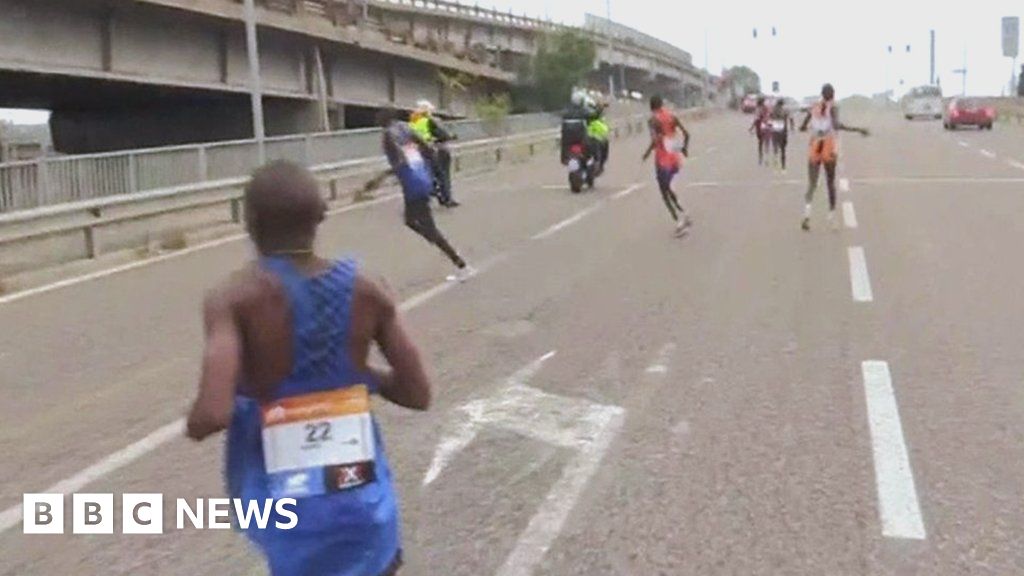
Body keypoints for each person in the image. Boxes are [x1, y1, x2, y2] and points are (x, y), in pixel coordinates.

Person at [186, 160, 433, 576]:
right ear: (321, 216)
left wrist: (192, 423)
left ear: (250, 221)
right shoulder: (369, 290)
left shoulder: (232, 298)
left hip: (286, 516)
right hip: (361, 501)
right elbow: (417, 393)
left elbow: (213, 412)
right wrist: (362, 377)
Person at [375, 107, 473, 281]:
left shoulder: (388, 135)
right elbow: (426, 147)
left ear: (384, 118)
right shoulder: (406, 127)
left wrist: (383, 176)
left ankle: (458, 261)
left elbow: (399, 160)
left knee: (427, 225)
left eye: (379, 116)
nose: (377, 119)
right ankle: (441, 244)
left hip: (412, 183)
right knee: (410, 221)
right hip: (420, 177)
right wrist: (427, 169)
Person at [798, 84, 869, 231]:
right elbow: (836, 125)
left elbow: (803, 126)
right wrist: (857, 129)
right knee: (830, 183)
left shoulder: (814, 106)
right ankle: (831, 218)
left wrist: (807, 128)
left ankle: (807, 215)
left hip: (815, 146)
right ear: (833, 95)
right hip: (828, 147)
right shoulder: (834, 108)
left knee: (812, 183)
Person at [642, 95, 692, 237]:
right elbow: (687, 134)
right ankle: (684, 214)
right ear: (662, 104)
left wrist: (647, 153)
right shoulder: (671, 116)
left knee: (665, 193)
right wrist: (684, 149)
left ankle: (679, 222)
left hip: (662, 159)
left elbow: (655, 139)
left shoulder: (653, 120)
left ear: (651, 107)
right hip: (674, 158)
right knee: (670, 188)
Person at [410, 100, 459, 207]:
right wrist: (452, 136)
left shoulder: (414, 121)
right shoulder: (430, 120)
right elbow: (443, 135)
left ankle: (429, 191)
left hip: (419, 150)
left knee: (428, 173)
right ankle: (445, 198)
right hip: (435, 149)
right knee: (443, 174)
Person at [769, 98, 795, 172]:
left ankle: (775, 163)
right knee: (783, 149)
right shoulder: (785, 110)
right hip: (783, 131)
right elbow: (791, 119)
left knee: (775, 147)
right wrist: (792, 127)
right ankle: (783, 166)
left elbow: (769, 119)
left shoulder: (773, 110)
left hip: (775, 130)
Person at [587, 104, 611, 175]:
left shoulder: (584, 113)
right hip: (592, 138)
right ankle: (600, 164)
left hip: (590, 137)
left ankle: (600, 164)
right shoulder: (588, 114)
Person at [749, 97, 771, 166]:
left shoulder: (758, 109)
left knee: (760, 143)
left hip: (759, 126)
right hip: (766, 126)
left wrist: (751, 128)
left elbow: (756, 119)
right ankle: (766, 159)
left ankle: (760, 159)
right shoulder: (767, 108)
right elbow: (769, 117)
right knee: (766, 143)